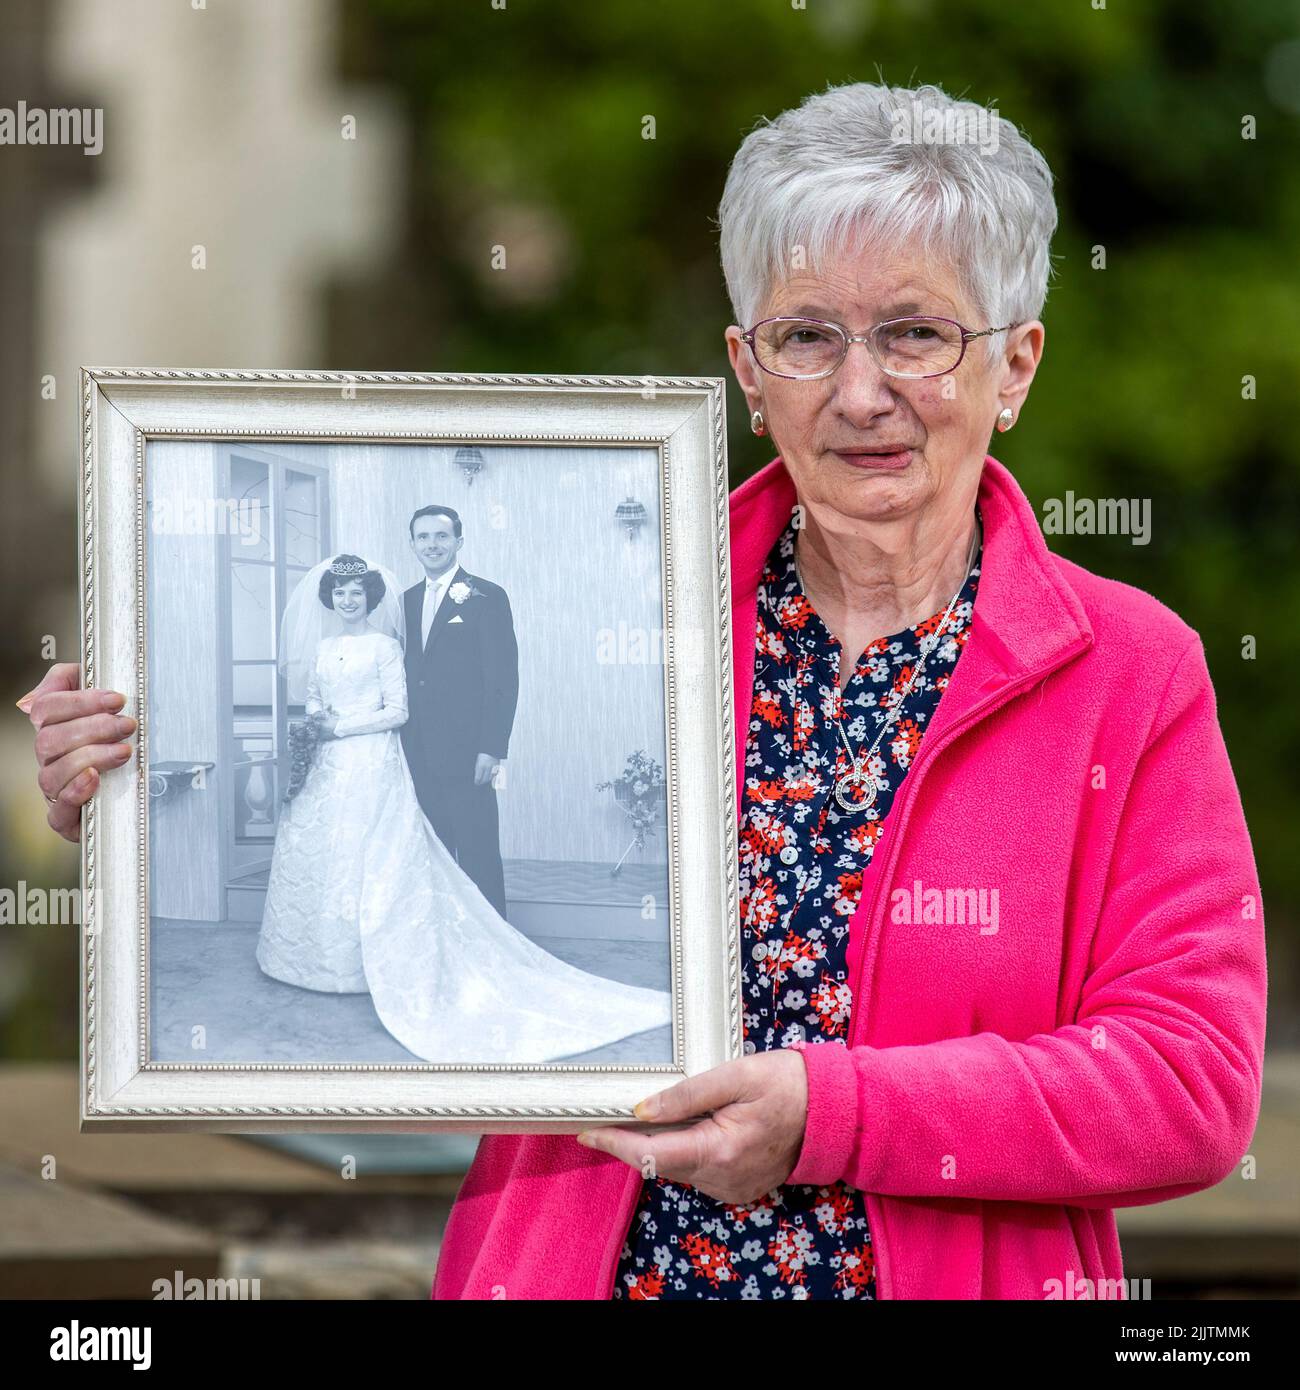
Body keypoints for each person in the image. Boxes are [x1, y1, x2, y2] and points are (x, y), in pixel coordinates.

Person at [22, 79, 1267, 1299]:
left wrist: (831, 1113)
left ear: (1015, 367)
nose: (857, 391)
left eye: (916, 332)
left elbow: (1190, 1085)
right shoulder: (635, 609)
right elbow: (441, 758)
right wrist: (129, 779)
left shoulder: (1127, 671)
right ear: (744, 363)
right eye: (805, 336)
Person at [401, 505, 518, 921]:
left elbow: (503, 679)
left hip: (469, 752)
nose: (432, 545)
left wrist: (492, 748)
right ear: (412, 543)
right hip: (417, 751)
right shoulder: (406, 600)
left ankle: (492, 941)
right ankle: (444, 936)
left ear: (458, 542)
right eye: (423, 537)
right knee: (431, 851)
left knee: (478, 850)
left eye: (441, 536)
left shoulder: (487, 596)